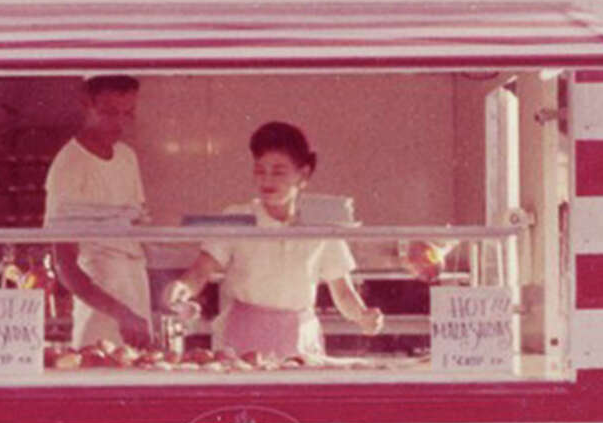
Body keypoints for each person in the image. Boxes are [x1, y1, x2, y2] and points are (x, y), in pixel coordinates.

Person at [163, 121, 384, 358]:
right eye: (260, 170)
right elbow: (200, 272)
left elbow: (342, 292)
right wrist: (181, 289)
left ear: (304, 174)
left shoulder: (321, 224)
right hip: (243, 335)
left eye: (278, 172)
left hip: (301, 338)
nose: (267, 180)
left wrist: (363, 316)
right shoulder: (237, 217)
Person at [43, 75, 152, 348]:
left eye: (128, 113)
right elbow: (64, 266)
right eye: (109, 112)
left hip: (137, 290)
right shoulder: (69, 165)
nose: (120, 123)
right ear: (86, 105)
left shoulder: (127, 157)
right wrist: (120, 313)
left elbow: (138, 228)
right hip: (101, 306)